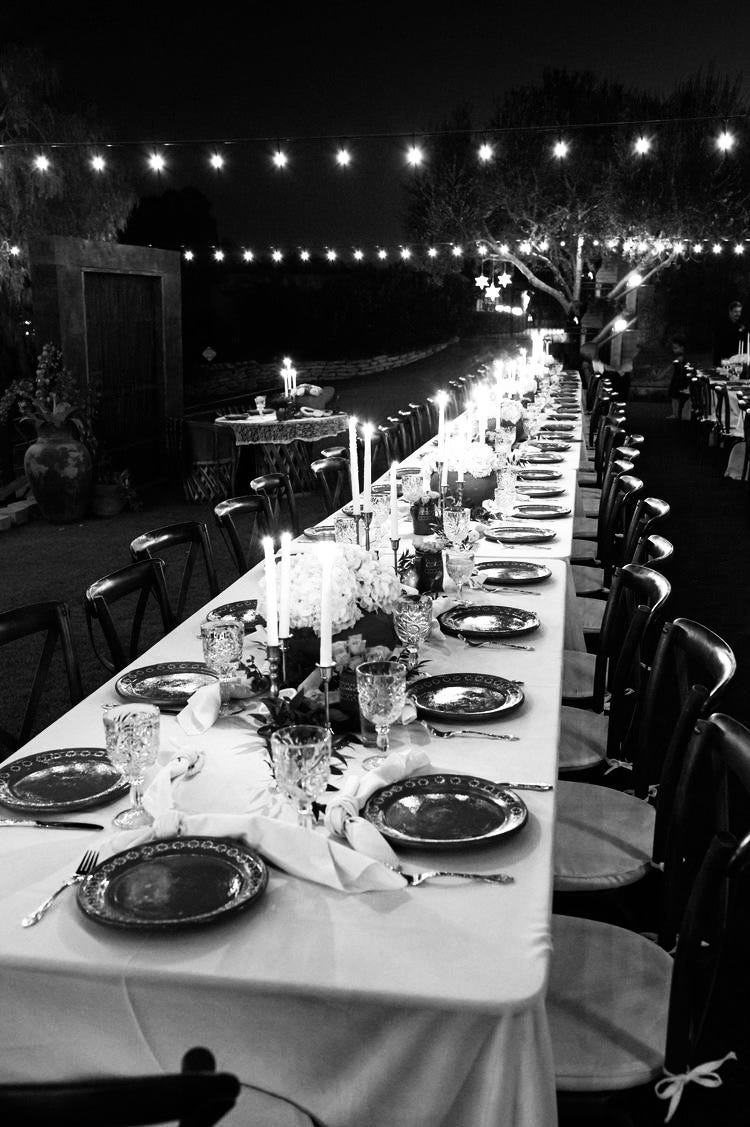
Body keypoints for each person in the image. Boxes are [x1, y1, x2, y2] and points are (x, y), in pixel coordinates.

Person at [713, 300, 747, 366]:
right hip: (724, 360)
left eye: (739, 311)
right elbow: (718, 345)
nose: (738, 314)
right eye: (735, 312)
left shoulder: (740, 325)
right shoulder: (722, 325)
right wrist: (719, 362)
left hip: (736, 360)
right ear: (730, 312)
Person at [666, 333, 691, 420]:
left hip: (679, 379)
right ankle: (676, 413)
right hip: (677, 378)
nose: (674, 350)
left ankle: (676, 413)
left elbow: (672, 366)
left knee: (675, 396)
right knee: (675, 396)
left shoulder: (681, 358)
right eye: (673, 348)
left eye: (676, 348)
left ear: (682, 347)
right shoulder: (681, 357)